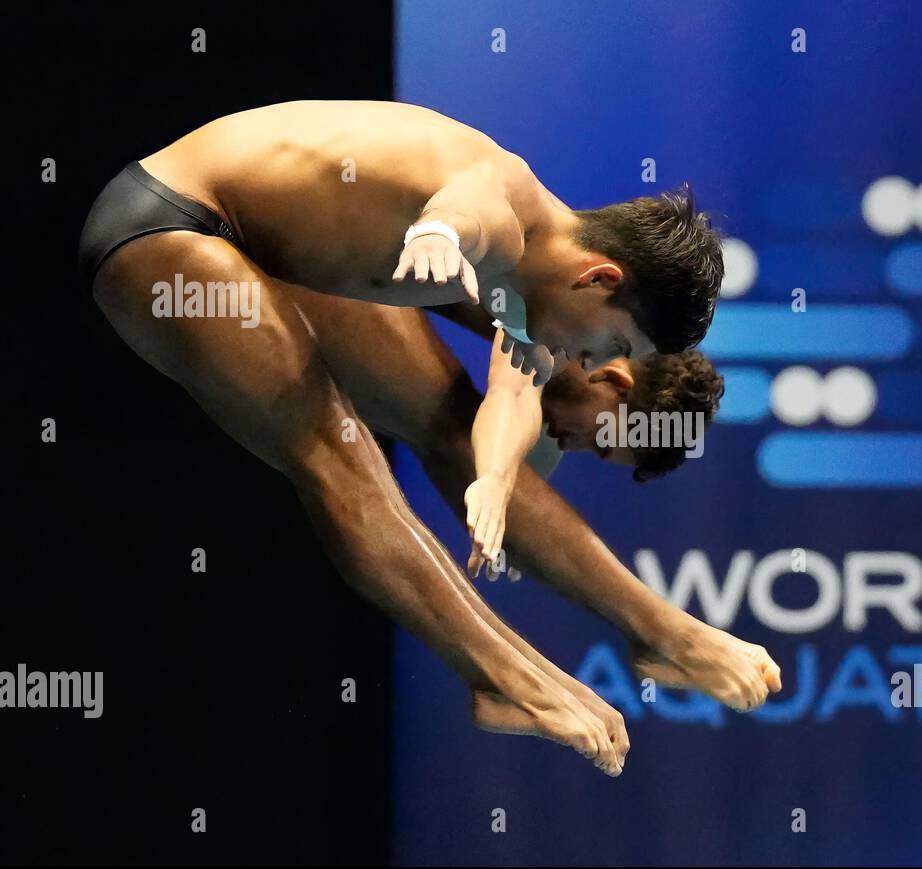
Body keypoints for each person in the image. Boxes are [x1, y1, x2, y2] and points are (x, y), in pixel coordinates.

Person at [80, 100, 780, 777]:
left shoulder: (527, 292)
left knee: (449, 425)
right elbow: (467, 206)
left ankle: (641, 637)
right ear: (600, 278)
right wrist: (440, 233)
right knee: (342, 453)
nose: (595, 363)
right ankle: (511, 677)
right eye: (610, 345)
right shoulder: (502, 206)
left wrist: (497, 483)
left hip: (263, 243)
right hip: (168, 226)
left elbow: (508, 399)